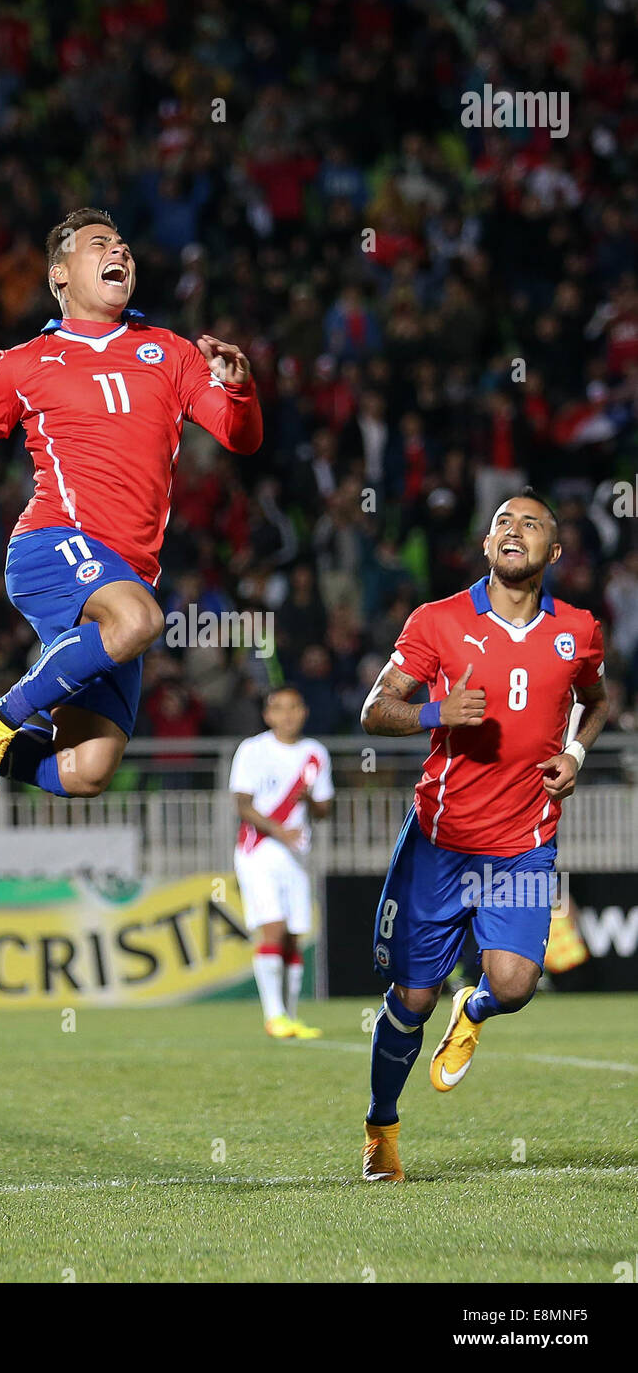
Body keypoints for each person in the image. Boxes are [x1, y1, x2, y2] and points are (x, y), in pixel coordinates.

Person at [0, 209, 262, 800]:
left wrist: (239, 389)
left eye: (123, 243)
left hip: (126, 574)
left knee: (85, 773)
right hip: (52, 544)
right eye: (99, 244)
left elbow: (240, 437)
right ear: (60, 274)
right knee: (140, 621)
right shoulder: (24, 363)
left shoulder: (171, 353)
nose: (120, 250)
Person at [359, 490, 608, 1181]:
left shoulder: (580, 630)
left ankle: (473, 1008)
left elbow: (598, 699)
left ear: (554, 553)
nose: (514, 529)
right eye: (502, 520)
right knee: (410, 1000)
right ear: (486, 544)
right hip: (441, 841)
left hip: (525, 842)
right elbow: (375, 710)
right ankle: (381, 1126)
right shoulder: (437, 622)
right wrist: (437, 710)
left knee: (517, 984)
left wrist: (577, 754)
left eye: (531, 523)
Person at [229, 686, 333, 1039]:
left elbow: (324, 809)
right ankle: (273, 1016)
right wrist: (278, 830)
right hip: (258, 852)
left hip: (297, 856)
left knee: (293, 935)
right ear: (267, 715)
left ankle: (290, 1015)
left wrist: (310, 800)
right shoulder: (253, 750)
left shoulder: (315, 753)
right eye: (279, 708)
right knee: (272, 926)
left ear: (304, 711)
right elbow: (242, 803)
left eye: (294, 707)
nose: (287, 715)